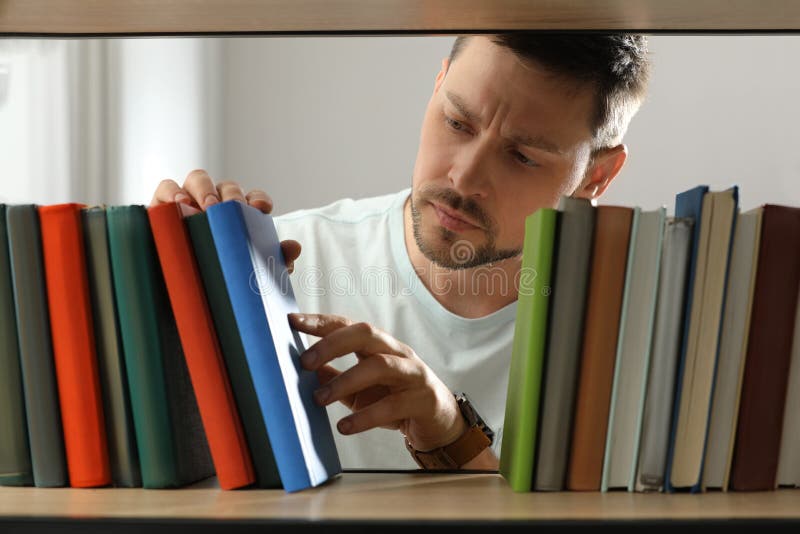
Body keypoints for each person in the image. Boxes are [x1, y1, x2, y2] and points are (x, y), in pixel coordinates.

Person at [150, 33, 651, 471]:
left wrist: (452, 439)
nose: (464, 178)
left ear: (595, 177)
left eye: (522, 156)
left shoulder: (638, 335)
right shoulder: (281, 266)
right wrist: (162, 297)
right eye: (457, 122)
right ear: (437, 87)